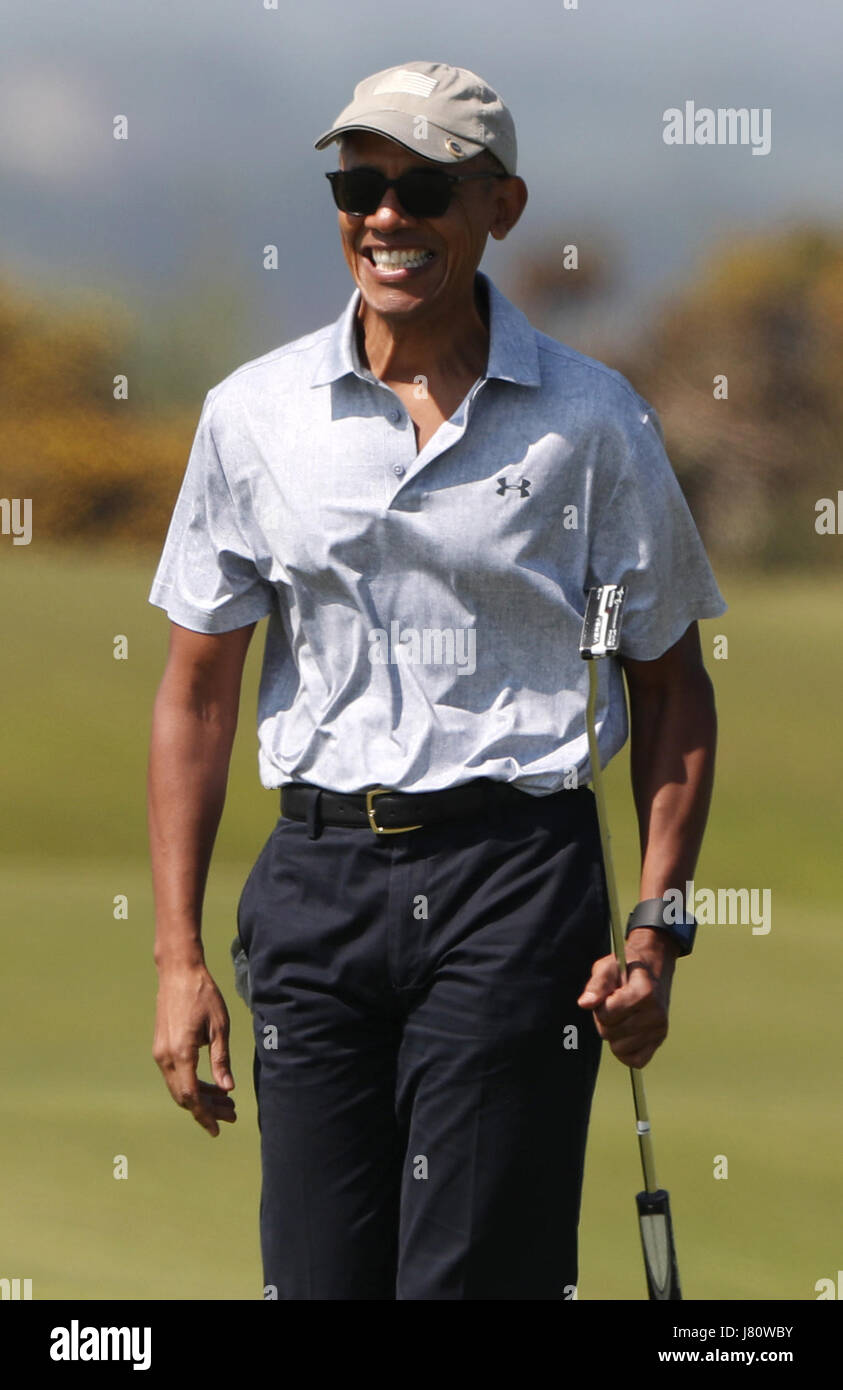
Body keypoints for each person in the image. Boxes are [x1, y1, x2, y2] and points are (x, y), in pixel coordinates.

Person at [147, 60, 726, 1301]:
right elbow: (196, 695)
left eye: (424, 187)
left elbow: (672, 684)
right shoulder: (252, 416)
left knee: (472, 1282)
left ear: (500, 208)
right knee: (316, 1281)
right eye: (361, 184)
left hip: (516, 888)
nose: (388, 216)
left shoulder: (594, 421)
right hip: (314, 890)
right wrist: (176, 956)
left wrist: (659, 927)